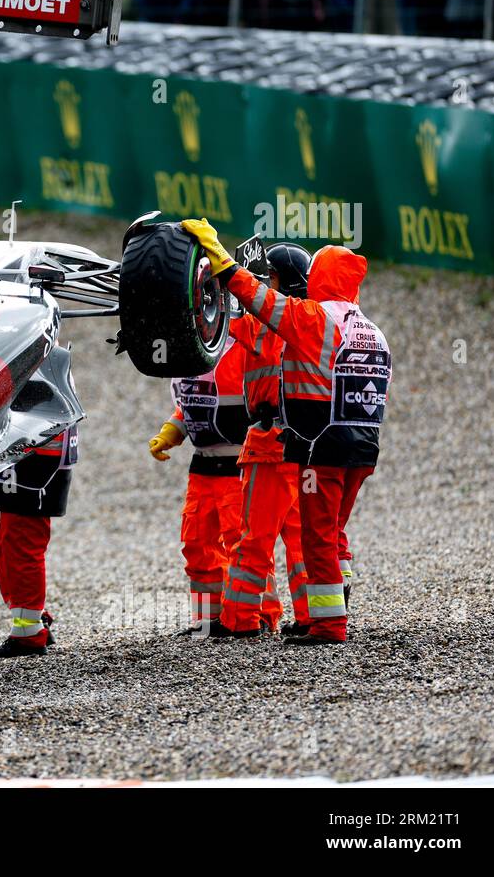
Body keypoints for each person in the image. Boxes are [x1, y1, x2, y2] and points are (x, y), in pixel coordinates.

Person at [183, 220, 391, 646]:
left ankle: (327, 625)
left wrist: (216, 255)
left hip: (315, 449)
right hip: (363, 450)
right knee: (327, 534)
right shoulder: (370, 329)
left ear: (319, 279)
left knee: (308, 538)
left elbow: (253, 298)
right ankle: (325, 611)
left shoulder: (311, 318)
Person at [218, 241, 314, 639]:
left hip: (269, 444)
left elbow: (218, 320)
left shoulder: (266, 323)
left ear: (283, 281)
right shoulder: (312, 321)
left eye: (269, 277)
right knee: (302, 540)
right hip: (303, 445)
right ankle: (315, 616)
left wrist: (213, 273)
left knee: (253, 537)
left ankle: (239, 621)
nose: (264, 284)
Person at [148, 330, 249, 633]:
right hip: (203, 465)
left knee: (242, 545)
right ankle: (208, 619)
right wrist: (171, 430)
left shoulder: (245, 346)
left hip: (239, 465)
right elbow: (191, 402)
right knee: (197, 544)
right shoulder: (191, 353)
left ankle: (252, 615)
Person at [0, 427, 78, 659]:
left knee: (21, 542)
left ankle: (29, 633)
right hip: (26, 447)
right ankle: (35, 619)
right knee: (7, 541)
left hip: (35, 449)